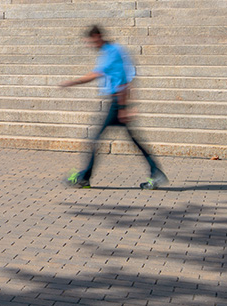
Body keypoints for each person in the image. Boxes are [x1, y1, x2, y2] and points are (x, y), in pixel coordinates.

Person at [59, 25, 167, 190]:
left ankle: (84, 177)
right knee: (134, 140)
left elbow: (116, 79)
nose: (90, 45)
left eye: (90, 41)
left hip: (117, 102)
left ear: (97, 36)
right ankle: (156, 172)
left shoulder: (111, 53)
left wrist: (73, 82)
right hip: (117, 101)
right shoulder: (112, 51)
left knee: (95, 139)